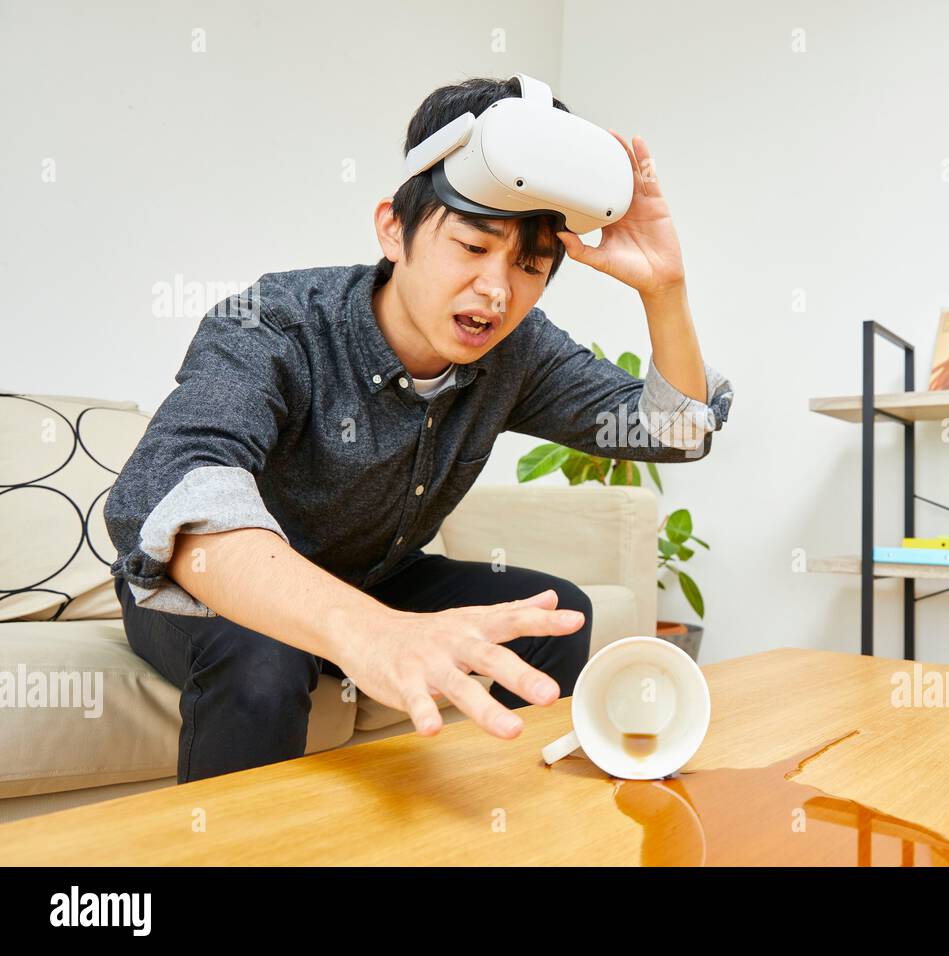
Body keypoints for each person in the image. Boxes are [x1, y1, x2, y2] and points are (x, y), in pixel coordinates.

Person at [104, 76, 734, 784]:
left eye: (530, 266)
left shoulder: (516, 353)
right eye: (471, 246)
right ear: (393, 229)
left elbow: (676, 432)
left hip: (378, 578)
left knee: (555, 616)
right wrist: (368, 632)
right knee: (264, 657)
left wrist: (664, 290)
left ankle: (503, 833)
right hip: (224, 591)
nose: (498, 291)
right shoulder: (274, 320)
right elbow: (178, 490)